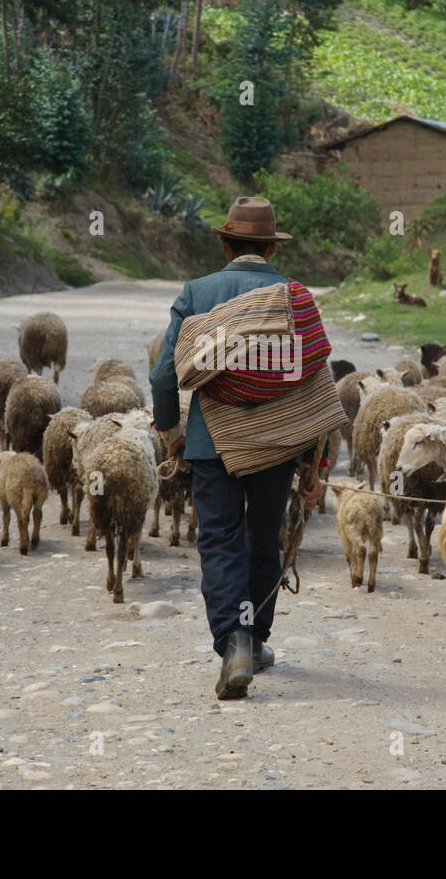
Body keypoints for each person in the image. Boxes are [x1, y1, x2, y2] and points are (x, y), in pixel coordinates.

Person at [150, 197, 324, 699]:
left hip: (212, 444)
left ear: (225, 244)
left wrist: (170, 432)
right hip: (276, 443)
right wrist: (316, 461)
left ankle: (235, 641)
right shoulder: (295, 296)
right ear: (271, 246)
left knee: (221, 539)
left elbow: (165, 373)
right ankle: (255, 637)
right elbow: (314, 378)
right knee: (263, 537)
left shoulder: (198, 291)